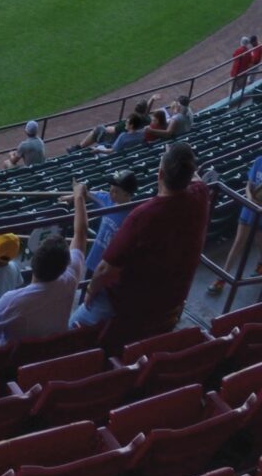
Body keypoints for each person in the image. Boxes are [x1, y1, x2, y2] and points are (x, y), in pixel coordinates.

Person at [73, 141, 209, 345]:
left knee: (71, 327)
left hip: (128, 305)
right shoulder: (201, 194)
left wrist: (91, 292)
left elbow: (104, 270)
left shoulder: (143, 215)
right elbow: (196, 178)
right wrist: (176, 160)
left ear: (160, 174)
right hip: (169, 305)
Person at [212, 132, 262, 295]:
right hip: (249, 207)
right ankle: (222, 278)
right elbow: (249, 184)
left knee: (259, 238)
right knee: (239, 241)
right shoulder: (259, 161)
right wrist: (249, 197)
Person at [0, 236, 76, 346]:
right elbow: (79, 245)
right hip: (53, 353)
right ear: (63, 269)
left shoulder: (10, 300)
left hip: (15, 360)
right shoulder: (71, 281)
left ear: (34, 261)